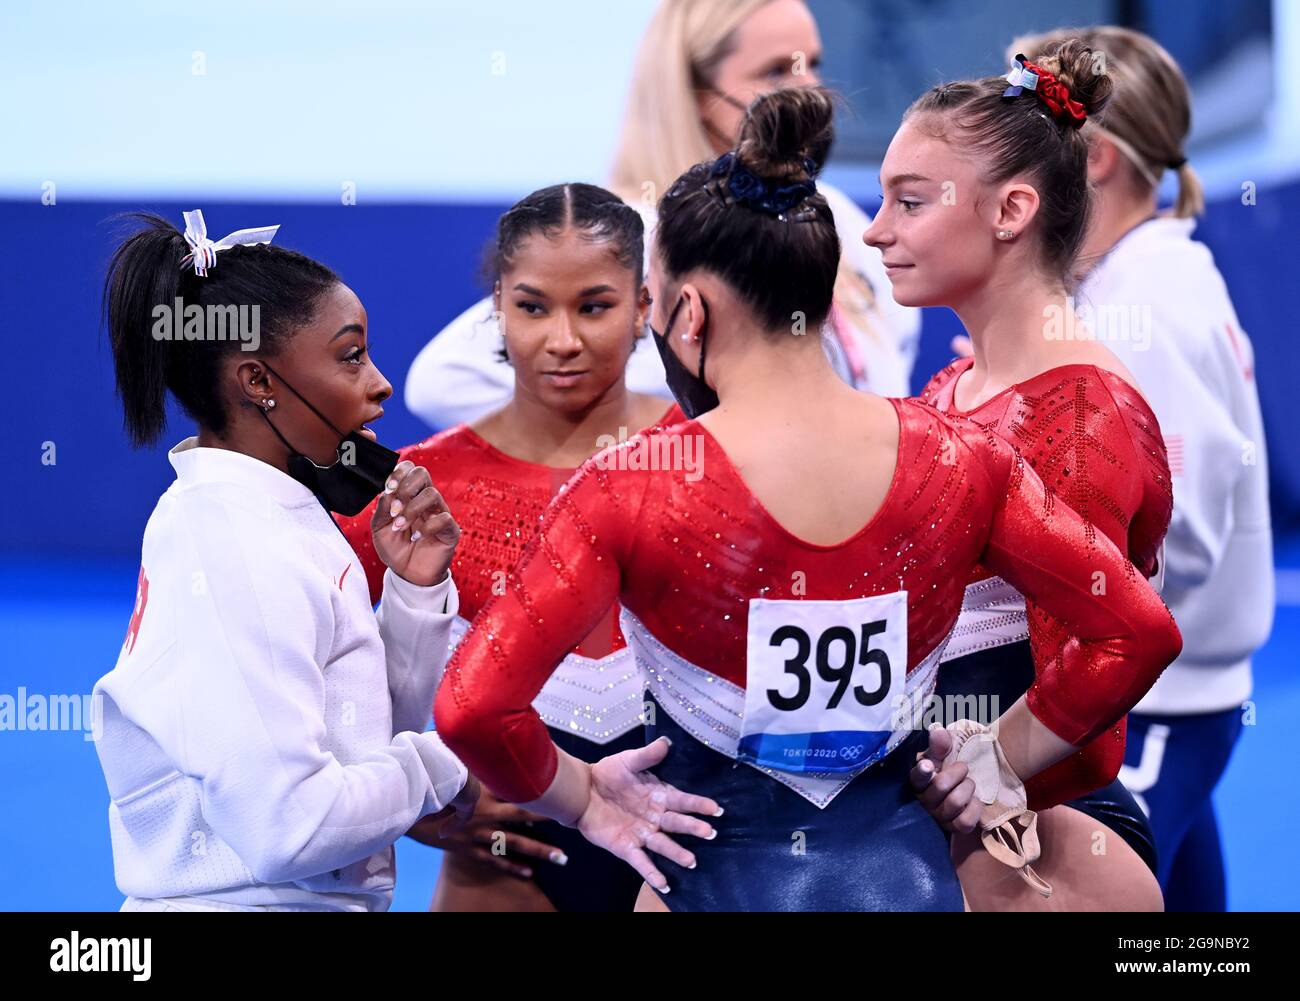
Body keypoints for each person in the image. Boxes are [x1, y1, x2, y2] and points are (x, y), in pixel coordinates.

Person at [435, 87, 1181, 912]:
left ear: (685, 312)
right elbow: (1139, 631)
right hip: (909, 877)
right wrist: (992, 758)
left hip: (712, 882)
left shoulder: (626, 484)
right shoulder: (962, 451)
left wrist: (582, 797)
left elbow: (472, 707)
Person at [92, 210, 477, 911]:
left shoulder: (273, 511)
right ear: (257, 381)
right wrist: (457, 765)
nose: (381, 383)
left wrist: (414, 595)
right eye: (351, 355)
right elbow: (292, 827)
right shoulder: (235, 542)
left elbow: (359, 738)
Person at [869, 40, 1171, 910]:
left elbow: (1102, 692)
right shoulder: (961, 383)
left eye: (909, 202)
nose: (877, 229)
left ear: (1011, 210)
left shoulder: (1078, 418)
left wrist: (988, 765)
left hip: (1044, 834)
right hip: (966, 810)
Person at [339, 183, 682, 911]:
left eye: (594, 306)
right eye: (532, 307)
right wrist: (407, 800)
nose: (563, 339)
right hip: (503, 870)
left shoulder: (710, 457)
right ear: (497, 308)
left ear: (645, 307)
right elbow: (304, 662)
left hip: (686, 852)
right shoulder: (425, 486)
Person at [1011, 25, 1273, 912]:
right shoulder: (1142, 283)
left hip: (1156, 698)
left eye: (1024, 131)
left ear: (1095, 162)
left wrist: (1091, 639)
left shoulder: (1142, 307)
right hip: (1170, 689)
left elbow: (1182, 533)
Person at [404, 0, 920, 430]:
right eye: (777, 69)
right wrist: (652, 451)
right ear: (693, 96)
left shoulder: (839, 216)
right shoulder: (641, 234)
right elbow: (443, 381)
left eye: (813, 63)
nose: (809, 90)